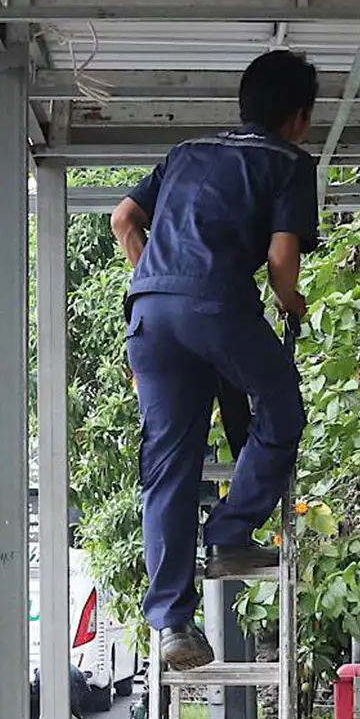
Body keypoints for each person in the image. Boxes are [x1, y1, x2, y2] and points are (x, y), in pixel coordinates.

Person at [112, 49, 322, 671]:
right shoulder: (289, 162)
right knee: (281, 406)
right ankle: (230, 535)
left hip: (149, 311)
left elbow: (125, 218)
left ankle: (173, 621)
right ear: (301, 116)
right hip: (218, 307)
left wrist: (157, 279)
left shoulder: (186, 152)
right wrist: (292, 302)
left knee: (170, 460)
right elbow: (283, 260)